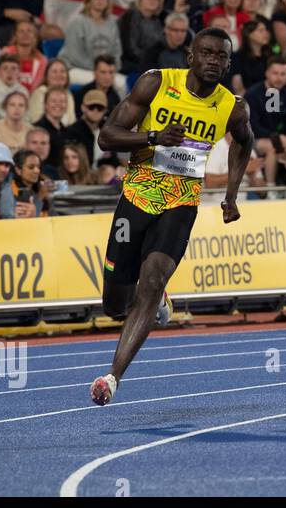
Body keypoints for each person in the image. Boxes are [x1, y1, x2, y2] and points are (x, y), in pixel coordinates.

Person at [88, 30, 253, 406]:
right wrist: (153, 137)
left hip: (181, 203)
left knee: (151, 281)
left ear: (229, 64)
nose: (213, 60)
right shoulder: (157, 82)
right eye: (206, 53)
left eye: (221, 57)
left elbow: (244, 141)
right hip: (136, 200)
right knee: (115, 303)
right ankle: (154, 298)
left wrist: (230, 195)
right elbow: (108, 137)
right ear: (190, 55)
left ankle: (112, 377)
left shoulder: (232, 107)